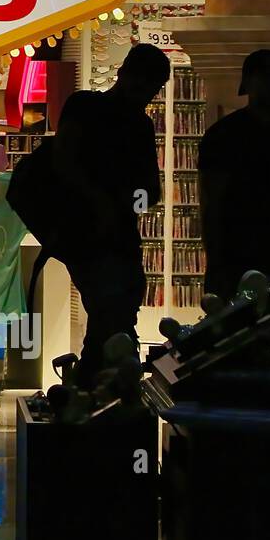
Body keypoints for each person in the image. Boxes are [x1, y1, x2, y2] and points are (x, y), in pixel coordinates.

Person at [52, 43, 171, 385]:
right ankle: (99, 384)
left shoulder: (101, 113)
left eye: (151, 88)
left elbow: (148, 190)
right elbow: (65, 164)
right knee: (113, 310)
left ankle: (92, 385)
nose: (144, 94)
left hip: (103, 235)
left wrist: (119, 205)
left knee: (113, 311)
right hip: (92, 236)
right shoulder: (92, 109)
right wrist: (111, 203)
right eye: (142, 85)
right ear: (123, 74)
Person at [198, 49, 270, 299]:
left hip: (265, 254)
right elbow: (212, 200)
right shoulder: (226, 135)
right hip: (239, 255)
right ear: (250, 83)